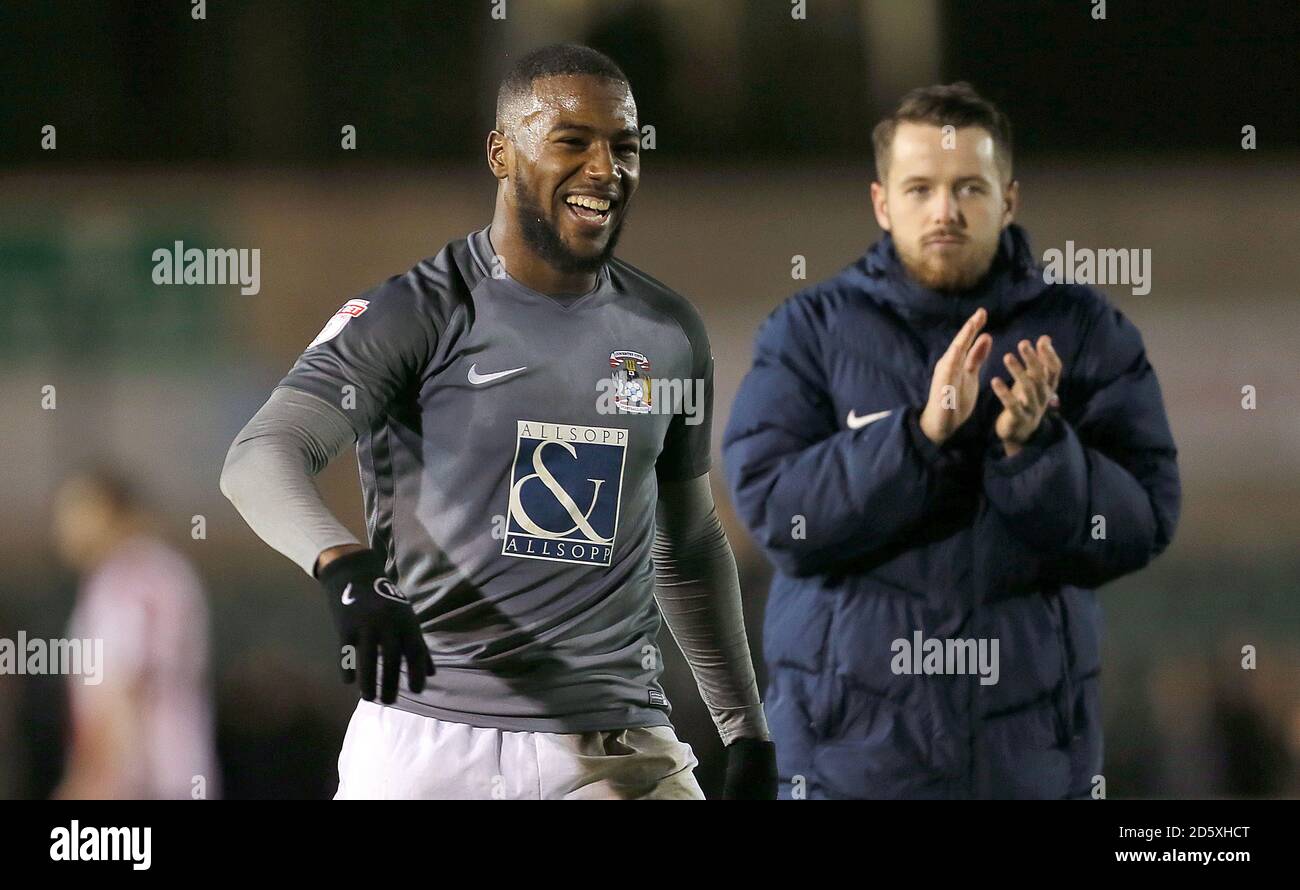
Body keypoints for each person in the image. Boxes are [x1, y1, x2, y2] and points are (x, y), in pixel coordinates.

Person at [221, 44, 775, 800]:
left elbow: (688, 540)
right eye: (573, 141)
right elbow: (261, 454)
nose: (605, 169)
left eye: (625, 147)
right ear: (502, 153)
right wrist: (343, 569)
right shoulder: (416, 312)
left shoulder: (667, 334)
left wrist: (744, 727)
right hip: (426, 741)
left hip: (613, 741)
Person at [722, 83, 1180, 799]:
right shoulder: (808, 331)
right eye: (920, 188)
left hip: (1027, 775)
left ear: (1010, 199)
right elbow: (776, 514)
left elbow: (1144, 523)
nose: (945, 210)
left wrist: (1037, 452)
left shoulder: (1087, 331)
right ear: (882, 203)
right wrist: (919, 437)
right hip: (849, 776)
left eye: (970, 186)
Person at [51, 467, 218, 799]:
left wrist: (93, 780)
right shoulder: (166, 568)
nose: (64, 524)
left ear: (106, 511)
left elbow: (124, 687)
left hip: (139, 782)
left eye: (75, 509)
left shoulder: (125, 577)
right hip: (180, 773)